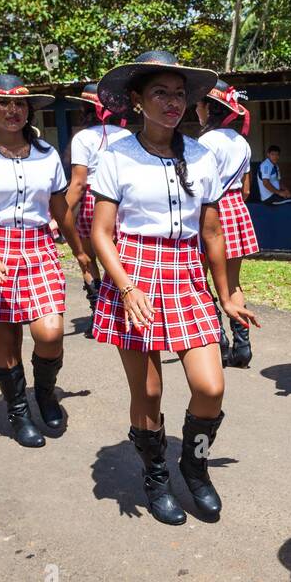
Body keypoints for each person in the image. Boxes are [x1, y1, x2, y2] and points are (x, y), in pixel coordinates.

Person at [89, 50, 260, 525]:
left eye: (179, 93)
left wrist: (228, 293)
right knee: (148, 391)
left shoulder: (203, 155)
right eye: (160, 93)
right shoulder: (116, 156)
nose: (172, 102)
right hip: (133, 272)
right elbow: (102, 233)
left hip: (185, 271)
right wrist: (125, 287)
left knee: (211, 386)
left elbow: (212, 233)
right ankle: (157, 478)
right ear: (138, 101)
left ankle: (195, 464)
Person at [0, 74, 86, 448]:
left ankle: (44, 392)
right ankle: (18, 411)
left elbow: (60, 207)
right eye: (3, 104)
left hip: (39, 245)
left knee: (50, 333)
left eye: (20, 104)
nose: (13, 111)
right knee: (7, 339)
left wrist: (80, 251)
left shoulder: (46, 154)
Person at [196, 78, 259, 368]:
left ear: (209, 108)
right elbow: (247, 189)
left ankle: (219, 340)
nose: (197, 110)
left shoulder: (206, 141)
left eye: (199, 104)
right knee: (233, 281)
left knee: (203, 278)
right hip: (237, 208)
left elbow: (199, 185)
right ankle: (242, 345)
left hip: (212, 212)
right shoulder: (242, 142)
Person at [63, 82, 131, 339]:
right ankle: (124, 310)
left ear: (86, 108)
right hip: (124, 201)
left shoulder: (83, 138)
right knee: (121, 257)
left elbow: (79, 183)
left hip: (95, 200)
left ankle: (98, 314)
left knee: (88, 259)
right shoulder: (126, 136)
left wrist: (60, 215)